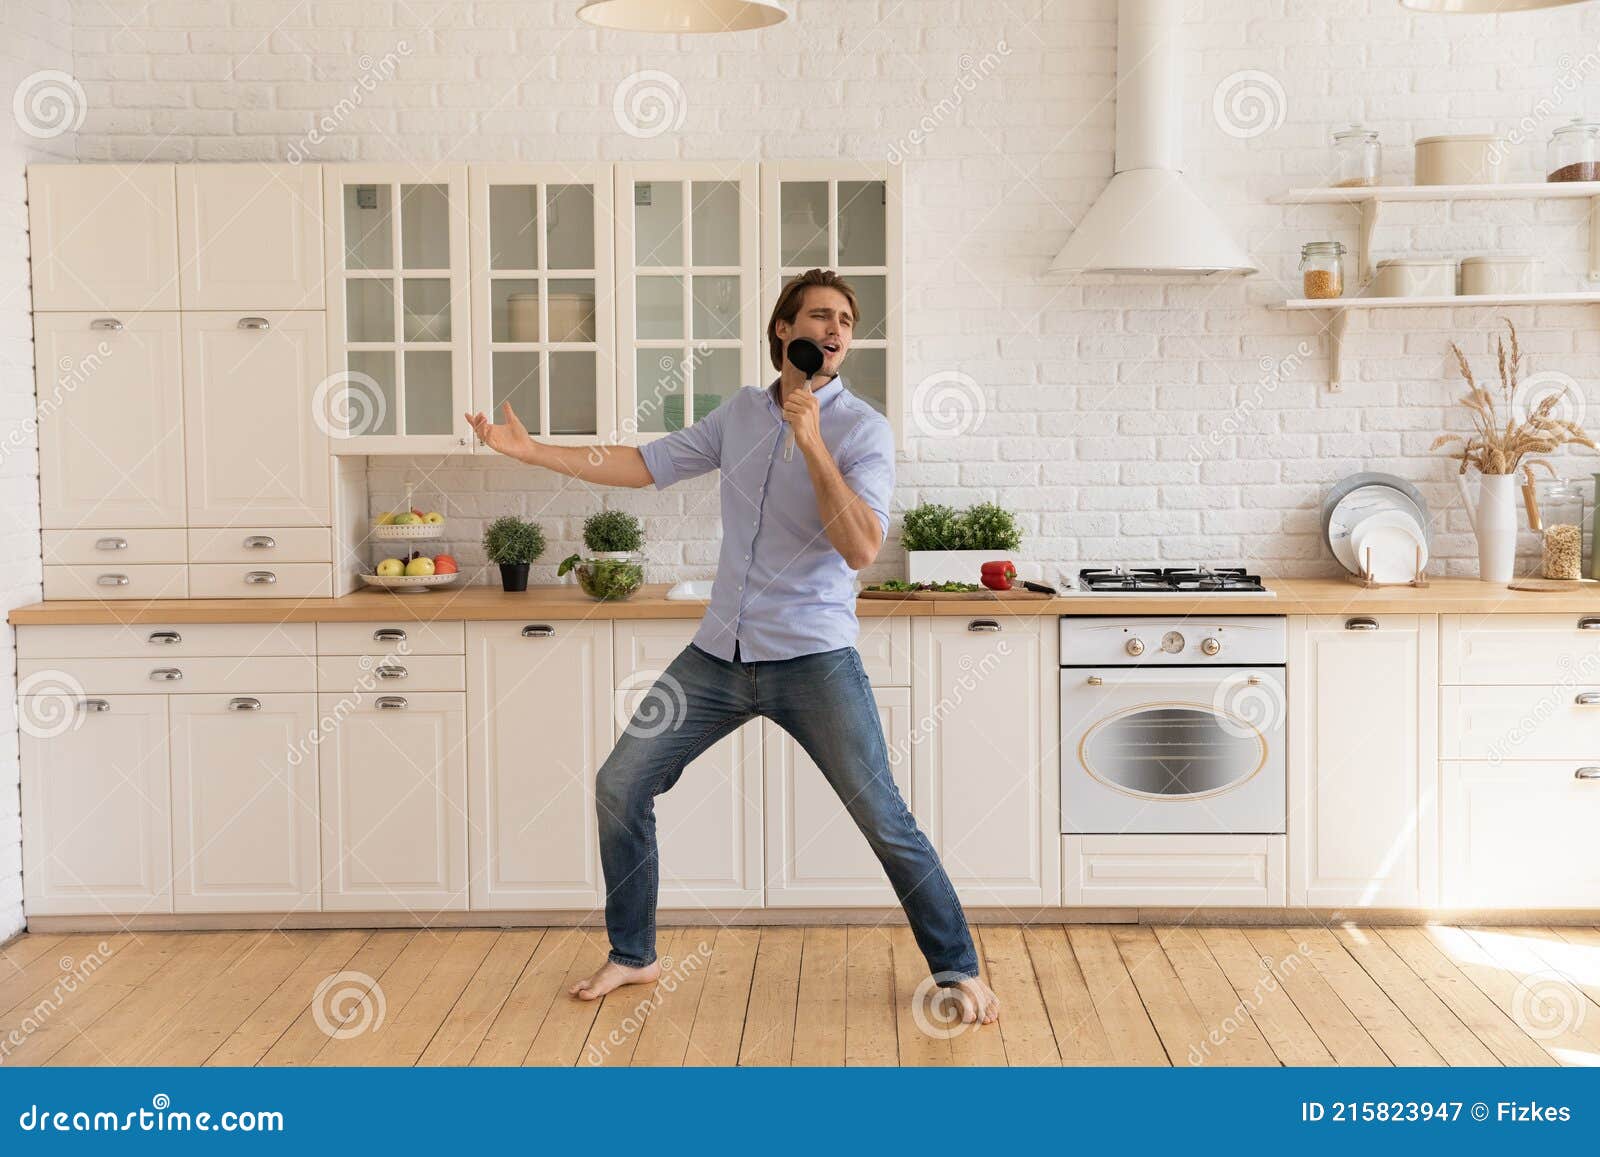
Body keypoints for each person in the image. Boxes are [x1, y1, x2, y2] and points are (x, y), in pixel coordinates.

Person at [465, 268, 999, 1026]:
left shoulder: (862, 429)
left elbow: (861, 547)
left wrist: (811, 440)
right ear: (785, 330)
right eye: (821, 315)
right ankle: (634, 952)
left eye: (848, 320)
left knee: (882, 815)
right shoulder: (740, 415)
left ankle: (958, 964)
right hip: (718, 656)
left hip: (813, 658)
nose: (838, 329)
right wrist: (531, 452)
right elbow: (642, 465)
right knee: (621, 782)